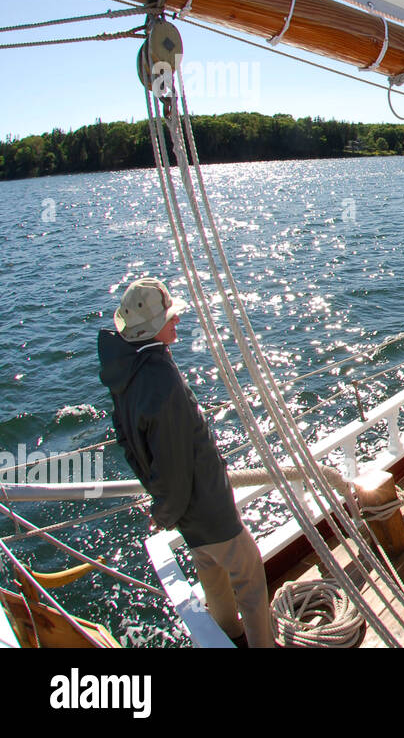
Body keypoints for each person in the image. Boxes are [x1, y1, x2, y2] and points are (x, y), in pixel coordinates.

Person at [98, 276, 275, 647]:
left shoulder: (126, 372)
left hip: (189, 518)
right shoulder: (161, 382)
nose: (177, 321)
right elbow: (175, 465)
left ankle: (230, 636)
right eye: (170, 317)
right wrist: (164, 511)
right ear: (151, 328)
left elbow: (131, 444)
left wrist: (167, 509)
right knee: (250, 579)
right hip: (208, 509)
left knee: (212, 576)